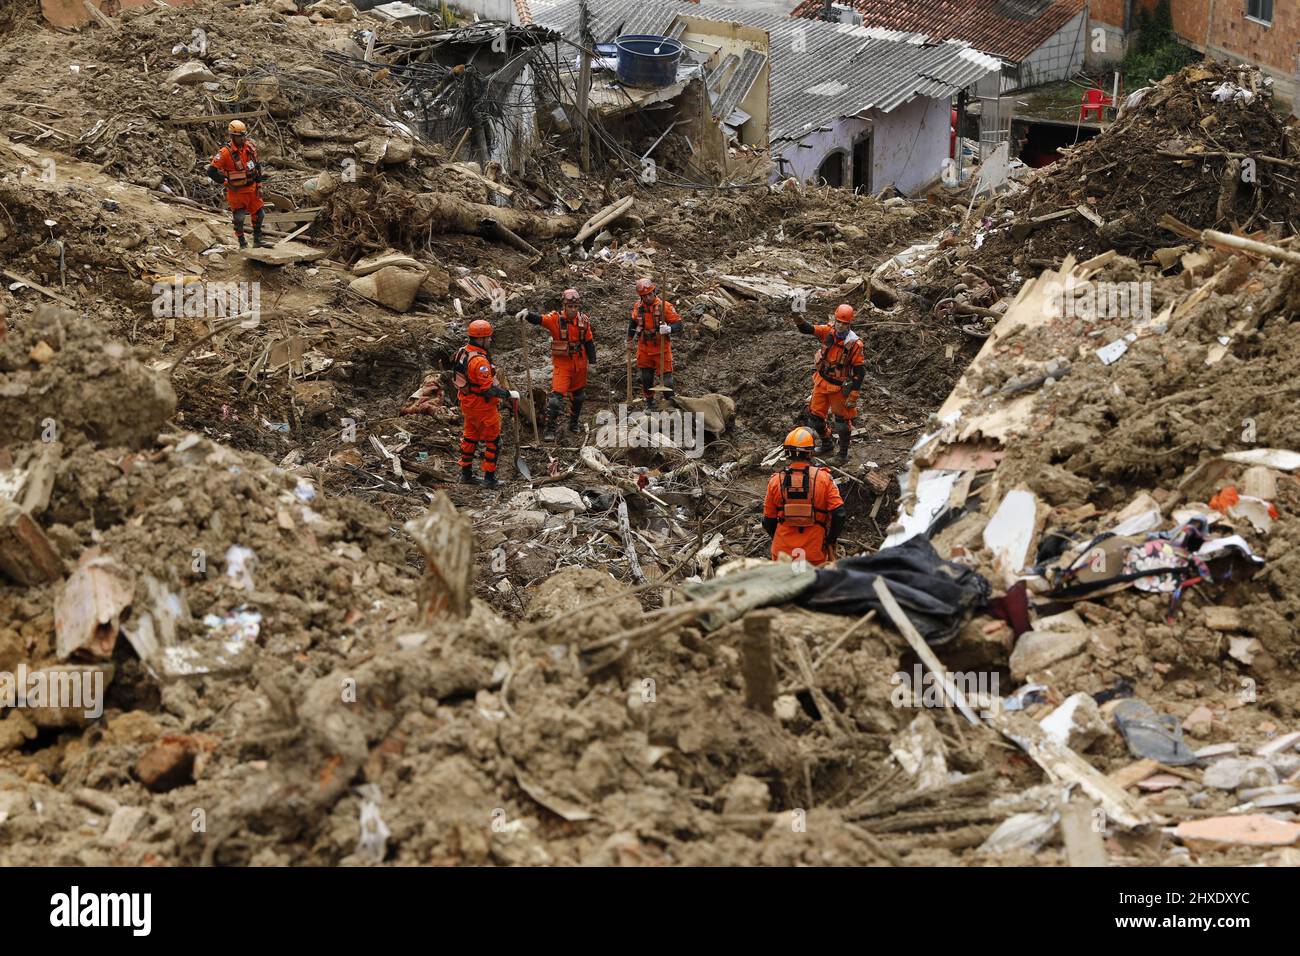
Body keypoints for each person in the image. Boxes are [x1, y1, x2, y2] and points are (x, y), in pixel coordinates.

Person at [516, 288, 596, 440]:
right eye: (570, 307)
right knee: (555, 399)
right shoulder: (555, 320)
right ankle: (550, 429)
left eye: (576, 307)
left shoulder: (584, 321)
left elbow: (589, 343)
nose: (573, 310)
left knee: (579, 397)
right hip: (563, 364)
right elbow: (540, 319)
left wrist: (592, 363)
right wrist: (527, 315)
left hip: (579, 364)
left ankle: (573, 423)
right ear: (564, 306)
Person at [762, 426, 845, 565]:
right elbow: (839, 514)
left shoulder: (775, 481)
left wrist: (777, 537)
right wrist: (830, 539)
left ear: (787, 453)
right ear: (810, 452)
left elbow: (768, 521)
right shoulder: (824, 479)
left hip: (783, 554)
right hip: (813, 553)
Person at [795, 303, 864, 462]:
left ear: (849, 324)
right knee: (815, 416)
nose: (840, 326)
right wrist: (797, 318)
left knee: (841, 422)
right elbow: (808, 329)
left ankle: (843, 455)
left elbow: (860, 371)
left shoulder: (854, 344)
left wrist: (854, 393)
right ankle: (827, 443)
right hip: (822, 381)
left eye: (844, 323)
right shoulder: (828, 331)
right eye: (838, 321)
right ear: (835, 319)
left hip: (839, 387)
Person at [453, 319, 518, 488]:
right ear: (480, 339)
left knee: (470, 438)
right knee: (493, 442)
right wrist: (508, 394)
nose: (490, 340)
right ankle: (489, 478)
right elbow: (488, 390)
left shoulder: (463, 352)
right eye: (488, 337)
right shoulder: (480, 362)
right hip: (483, 406)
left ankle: (465, 474)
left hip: (467, 404)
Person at [206, 120, 268, 249]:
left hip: (252, 189)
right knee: (239, 218)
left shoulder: (250, 148)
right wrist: (224, 182)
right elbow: (211, 171)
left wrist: (260, 185)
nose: (243, 138)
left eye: (244, 135)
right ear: (232, 136)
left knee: (259, 214)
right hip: (237, 192)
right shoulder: (225, 153)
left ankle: (258, 240)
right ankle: (242, 242)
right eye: (240, 136)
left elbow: (257, 167)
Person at [626, 277, 682, 410]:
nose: (648, 298)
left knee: (667, 380)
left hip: (661, 349)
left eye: (650, 294)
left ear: (654, 292)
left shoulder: (665, 307)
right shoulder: (638, 307)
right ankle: (649, 401)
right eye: (644, 296)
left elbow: (679, 324)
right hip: (644, 348)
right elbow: (632, 323)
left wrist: (669, 329)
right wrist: (629, 340)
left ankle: (671, 403)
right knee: (646, 378)